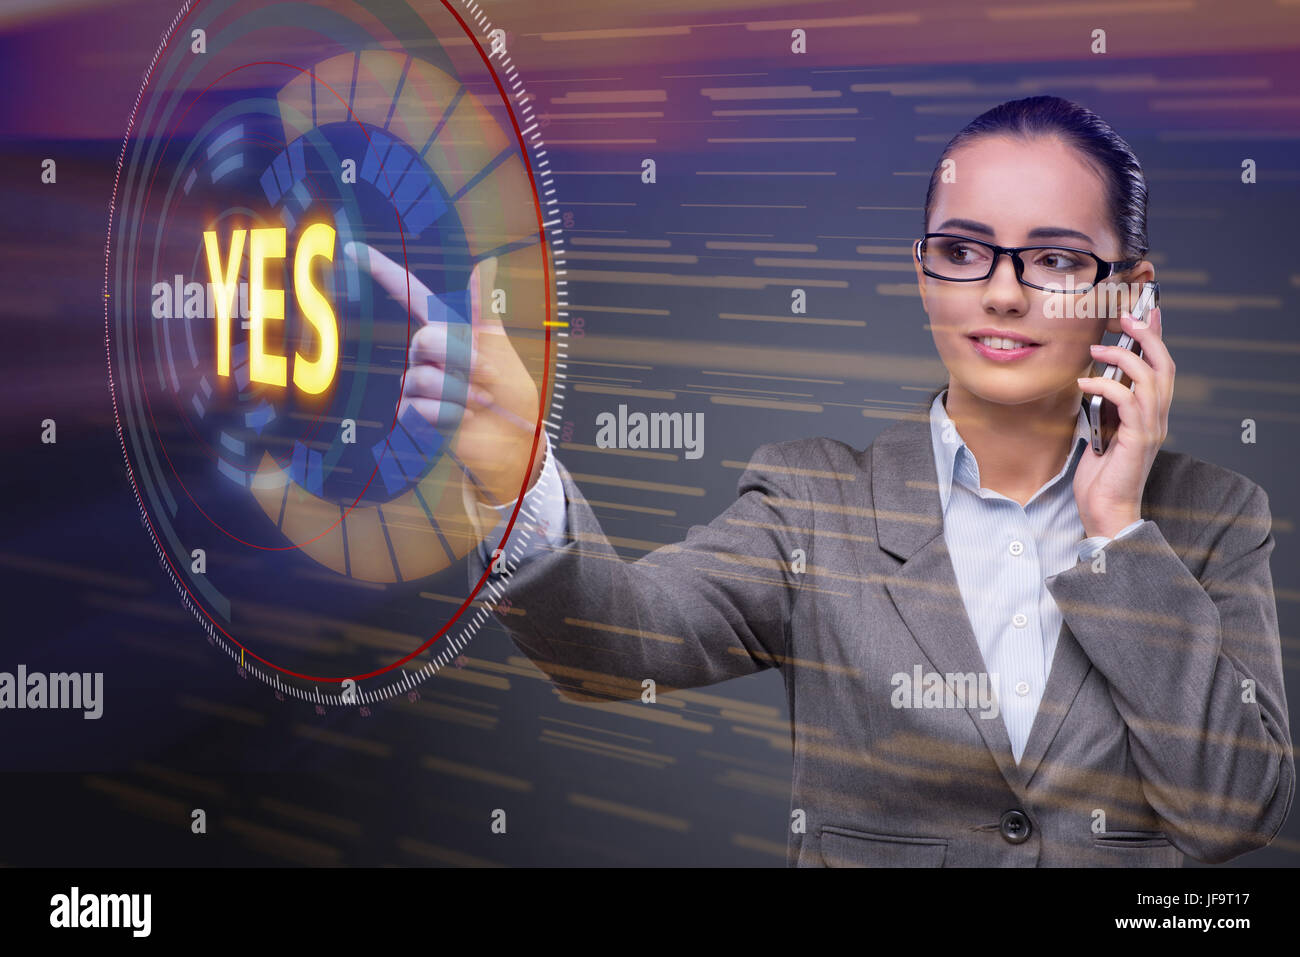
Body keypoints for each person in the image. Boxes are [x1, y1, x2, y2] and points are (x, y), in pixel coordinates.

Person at [352, 95, 1293, 867]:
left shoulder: (1212, 519)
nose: (1001, 292)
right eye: (962, 251)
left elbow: (1233, 811)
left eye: (1054, 258)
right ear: (923, 274)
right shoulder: (813, 504)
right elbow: (614, 647)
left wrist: (1119, 529)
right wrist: (521, 475)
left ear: (1130, 293)